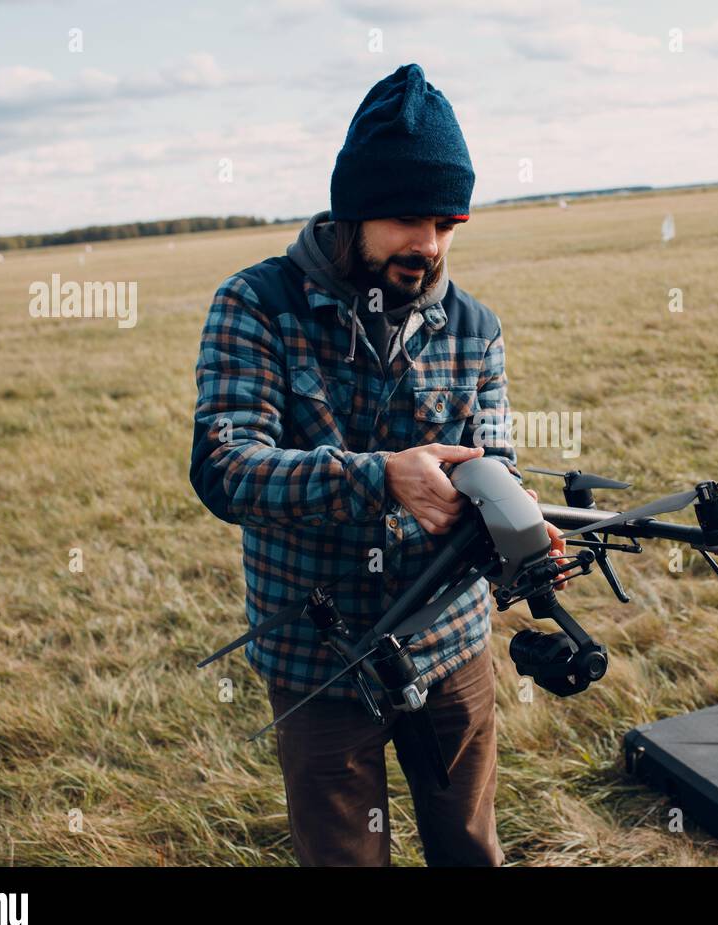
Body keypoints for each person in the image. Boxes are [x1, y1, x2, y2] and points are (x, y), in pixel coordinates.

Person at [189, 63, 566, 866]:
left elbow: (492, 462)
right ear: (352, 208)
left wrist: (519, 534)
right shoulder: (257, 306)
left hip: (453, 646)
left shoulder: (476, 328)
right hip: (318, 660)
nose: (428, 245)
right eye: (406, 218)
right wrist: (379, 477)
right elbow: (225, 467)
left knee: (470, 849)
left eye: (447, 222)